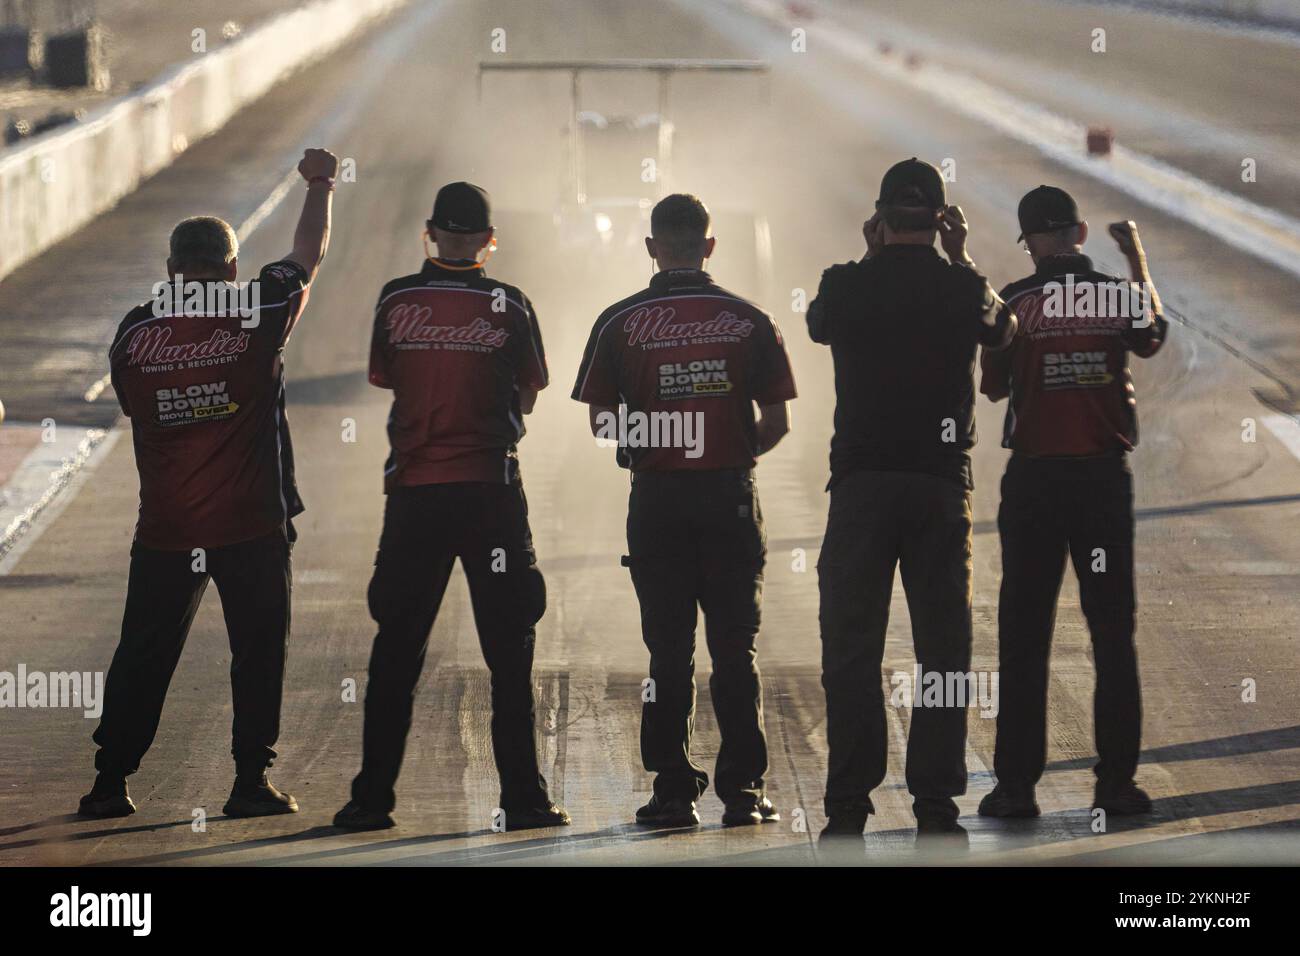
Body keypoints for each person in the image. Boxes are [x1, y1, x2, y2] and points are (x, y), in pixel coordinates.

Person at [80, 148, 338, 819]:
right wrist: (319, 182)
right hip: (251, 523)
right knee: (257, 654)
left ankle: (109, 782)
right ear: (229, 267)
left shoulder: (136, 330)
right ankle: (249, 781)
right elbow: (308, 254)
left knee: (143, 653)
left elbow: (133, 406)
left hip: (166, 529)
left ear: (170, 270)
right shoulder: (259, 304)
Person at [333, 182, 569, 832]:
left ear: (429, 234)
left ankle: (370, 801)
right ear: (490, 243)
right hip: (490, 492)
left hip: (415, 495)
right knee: (509, 651)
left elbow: (388, 377)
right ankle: (523, 799)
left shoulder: (396, 299)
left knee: (397, 651)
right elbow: (529, 393)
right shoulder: (510, 304)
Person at [572, 193, 797, 828]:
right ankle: (745, 793)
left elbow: (601, 423)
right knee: (735, 649)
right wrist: (728, 454)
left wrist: (653, 442)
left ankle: (672, 791)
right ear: (709, 245)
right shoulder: (749, 319)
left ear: (650, 247)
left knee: (667, 652)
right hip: (728, 496)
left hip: (659, 502)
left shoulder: (618, 321)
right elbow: (777, 421)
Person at [808, 158, 1016, 840]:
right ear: (939, 220)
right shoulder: (963, 287)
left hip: (862, 486)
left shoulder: (846, 284)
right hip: (937, 485)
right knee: (943, 651)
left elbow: (818, 323)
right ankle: (934, 801)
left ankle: (847, 802)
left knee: (851, 648)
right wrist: (961, 256)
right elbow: (1003, 329)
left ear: (879, 218)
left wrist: (868, 257)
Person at [979, 186, 1167, 819]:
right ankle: (1116, 785)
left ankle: (1015, 789)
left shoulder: (1014, 303)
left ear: (1031, 241)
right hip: (1101, 485)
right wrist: (1136, 255)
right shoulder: (1118, 296)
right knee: (1113, 635)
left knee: (1024, 637)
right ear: (1080, 235)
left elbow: (993, 388)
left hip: (1034, 483)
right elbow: (1153, 335)